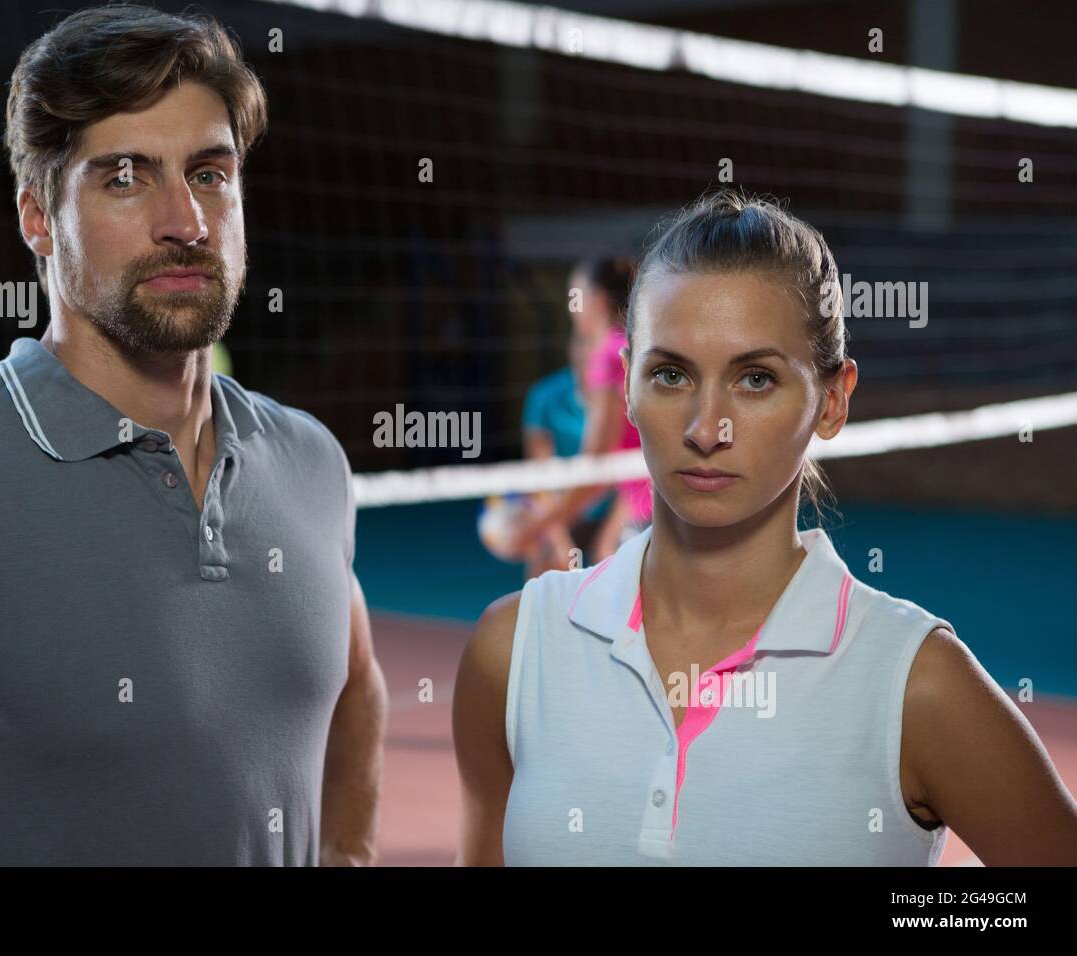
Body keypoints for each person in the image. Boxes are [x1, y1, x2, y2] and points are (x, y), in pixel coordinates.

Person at [0, 4, 386, 866]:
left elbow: (352, 678)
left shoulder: (310, 463)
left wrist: (349, 853)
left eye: (210, 173)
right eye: (126, 178)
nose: (187, 220)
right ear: (37, 218)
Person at [453, 188, 1077, 865]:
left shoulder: (915, 681)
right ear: (627, 383)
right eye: (670, 374)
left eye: (755, 380)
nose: (705, 428)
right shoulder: (511, 652)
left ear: (833, 401)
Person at [508, 256, 654, 567]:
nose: (571, 307)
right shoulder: (637, 345)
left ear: (598, 301)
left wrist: (535, 526)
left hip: (653, 510)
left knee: (611, 578)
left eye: (575, 296)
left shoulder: (608, 357)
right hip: (661, 500)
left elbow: (595, 465)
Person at [519, 330, 615, 577]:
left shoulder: (623, 398)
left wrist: (610, 534)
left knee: (618, 554)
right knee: (548, 558)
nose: (588, 353)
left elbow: (635, 480)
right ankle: (538, 613)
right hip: (562, 508)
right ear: (570, 349)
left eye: (594, 346)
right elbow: (540, 478)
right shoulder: (544, 396)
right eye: (581, 344)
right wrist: (557, 533)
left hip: (612, 507)